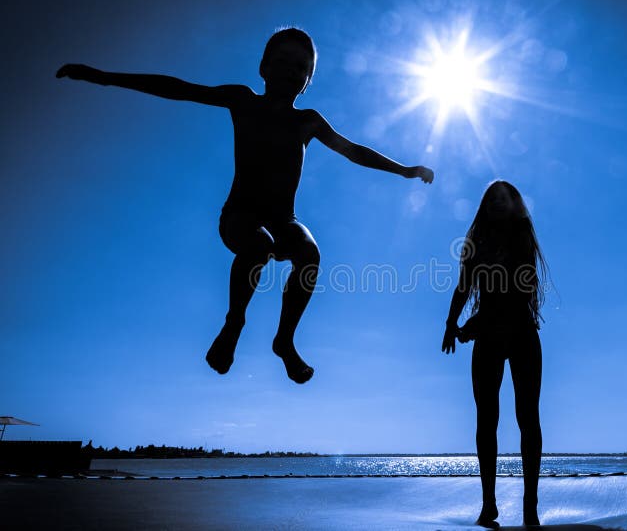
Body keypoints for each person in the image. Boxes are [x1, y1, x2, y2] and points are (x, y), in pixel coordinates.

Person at [57, 27, 434, 383]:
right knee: (259, 245)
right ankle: (234, 322)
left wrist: (405, 170)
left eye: (301, 67)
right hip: (240, 216)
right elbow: (180, 88)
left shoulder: (308, 122)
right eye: (282, 62)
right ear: (263, 68)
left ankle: (284, 341)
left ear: (307, 82)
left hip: (284, 220)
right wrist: (105, 77)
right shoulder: (243, 100)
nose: (291, 71)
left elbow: (354, 151)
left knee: (309, 254)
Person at [442, 180, 548, 527]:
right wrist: (451, 323)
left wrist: (478, 321)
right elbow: (463, 285)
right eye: (492, 199)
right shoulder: (477, 244)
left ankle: (530, 505)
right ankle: (489, 504)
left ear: (514, 204)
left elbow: (522, 289)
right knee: (486, 421)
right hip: (487, 337)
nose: (498, 203)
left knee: (527, 418)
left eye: (504, 198)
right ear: (485, 207)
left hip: (520, 332)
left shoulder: (522, 237)